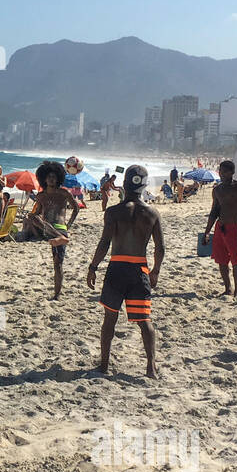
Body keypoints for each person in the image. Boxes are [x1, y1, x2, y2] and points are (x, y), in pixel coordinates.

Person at [85, 165, 164, 377]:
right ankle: (151, 367)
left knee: (109, 318)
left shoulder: (113, 212)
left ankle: (103, 365)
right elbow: (160, 248)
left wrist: (93, 267)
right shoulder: (152, 213)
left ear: (124, 185)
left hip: (117, 268)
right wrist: (155, 271)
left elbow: (104, 243)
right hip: (139, 269)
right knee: (144, 319)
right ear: (144, 186)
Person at [202, 160, 237, 298]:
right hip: (220, 227)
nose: (221, 174)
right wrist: (207, 232)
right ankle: (228, 288)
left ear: (231, 172)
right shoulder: (217, 189)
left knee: (236, 260)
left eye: (224, 172)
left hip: (235, 227)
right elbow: (214, 212)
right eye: (220, 171)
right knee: (221, 260)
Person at [25, 161, 72, 299]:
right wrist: (32, 216)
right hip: (49, 231)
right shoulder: (41, 196)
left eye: (54, 176)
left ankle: (57, 294)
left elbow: (75, 208)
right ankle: (59, 237)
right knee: (32, 217)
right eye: (49, 177)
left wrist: (69, 224)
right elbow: (38, 212)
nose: (51, 179)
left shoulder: (63, 193)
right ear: (44, 179)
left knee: (57, 264)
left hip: (61, 228)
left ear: (58, 178)